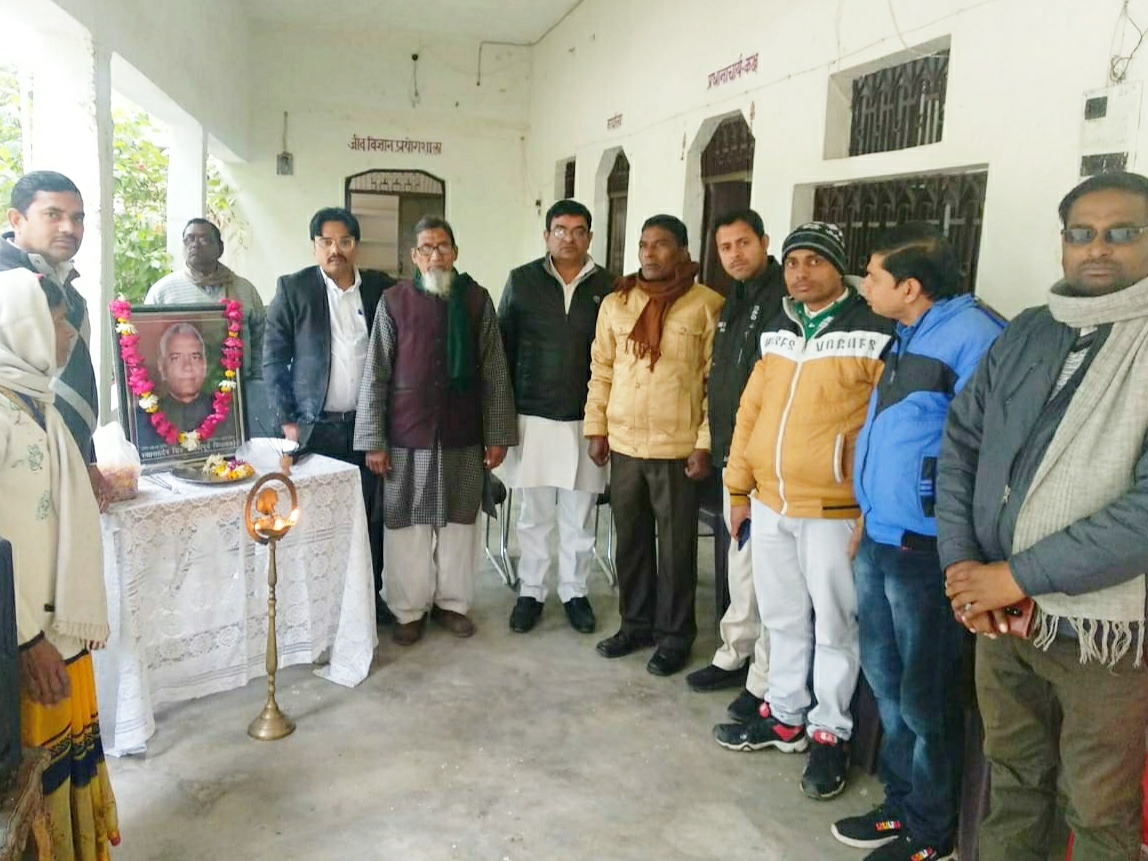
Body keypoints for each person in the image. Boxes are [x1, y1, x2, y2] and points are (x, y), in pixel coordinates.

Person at [939, 171, 1148, 861]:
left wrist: (1016, 574)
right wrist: (964, 568)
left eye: (1123, 233)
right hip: (1001, 619)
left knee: (1097, 812)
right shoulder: (1030, 330)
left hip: (1106, 637)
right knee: (1015, 782)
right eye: (1081, 233)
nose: (1099, 249)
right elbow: (963, 442)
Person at [830, 223, 1003, 861]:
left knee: (927, 696)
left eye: (872, 276)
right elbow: (891, 436)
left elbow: (983, 452)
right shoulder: (906, 333)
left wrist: (964, 547)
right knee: (887, 680)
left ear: (910, 286)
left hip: (928, 548)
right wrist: (864, 514)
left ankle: (931, 830)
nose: (864, 286)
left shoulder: (978, 337)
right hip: (881, 535)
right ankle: (900, 804)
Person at [712, 222, 893, 801]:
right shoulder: (779, 328)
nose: (800, 273)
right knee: (783, 618)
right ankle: (786, 715)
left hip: (834, 507)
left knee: (837, 626)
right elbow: (750, 412)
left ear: (838, 268)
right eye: (793, 263)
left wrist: (870, 504)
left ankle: (830, 732)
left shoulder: (873, 329)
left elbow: (885, 427)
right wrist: (738, 489)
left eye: (814, 261)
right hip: (769, 503)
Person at [0, 267, 120, 859]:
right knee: (31, 776)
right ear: (23, 323)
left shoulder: (38, 403)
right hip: (26, 642)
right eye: (59, 316)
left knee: (71, 754)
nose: (71, 330)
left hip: (62, 631)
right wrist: (24, 642)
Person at [354, 216, 517, 646]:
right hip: (407, 433)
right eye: (426, 248)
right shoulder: (394, 301)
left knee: (461, 525)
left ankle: (453, 604)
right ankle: (407, 609)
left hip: (463, 432)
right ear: (414, 256)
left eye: (442, 247)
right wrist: (373, 440)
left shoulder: (477, 300)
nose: (435, 255)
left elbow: (496, 372)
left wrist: (498, 434)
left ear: (455, 252)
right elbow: (375, 374)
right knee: (406, 527)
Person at [585, 214, 723, 677]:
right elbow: (602, 369)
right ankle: (635, 624)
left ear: (682, 252)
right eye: (644, 244)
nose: (649, 252)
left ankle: (674, 636)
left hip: (677, 448)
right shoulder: (617, 302)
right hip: (624, 444)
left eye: (661, 244)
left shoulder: (706, 305)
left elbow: (712, 383)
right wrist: (596, 428)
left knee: (678, 549)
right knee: (631, 543)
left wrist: (704, 443)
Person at [264, 207, 395, 624]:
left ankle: (369, 603)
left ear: (356, 245)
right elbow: (271, 360)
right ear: (314, 245)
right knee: (316, 521)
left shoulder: (379, 290)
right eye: (326, 241)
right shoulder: (294, 289)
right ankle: (318, 608)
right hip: (314, 429)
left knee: (369, 519)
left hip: (366, 426)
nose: (334, 250)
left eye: (344, 241)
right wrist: (288, 420)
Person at [684, 209, 785, 724]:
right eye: (726, 247)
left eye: (743, 243)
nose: (735, 255)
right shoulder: (733, 301)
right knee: (739, 568)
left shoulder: (783, 301)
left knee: (769, 577)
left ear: (764, 242)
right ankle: (734, 651)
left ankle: (763, 680)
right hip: (733, 458)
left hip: (770, 465)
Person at [497, 199, 613, 635]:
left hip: (586, 419)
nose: (569, 238)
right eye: (560, 229)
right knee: (535, 514)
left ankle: (574, 591)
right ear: (546, 235)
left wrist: (605, 423)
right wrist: (501, 420)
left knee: (579, 514)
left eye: (579, 230)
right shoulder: (523, 281)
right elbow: (502, 350)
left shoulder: (608, 286)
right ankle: (531, 591)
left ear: (590, 237)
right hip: (533, 416)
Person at [0, 170, 107, 511]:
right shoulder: (6, 287)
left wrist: (86, 461)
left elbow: (76, 380)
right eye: (53, 215)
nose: (69, 228)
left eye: (77, 218)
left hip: (64, 461)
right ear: (17, 218)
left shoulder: (71, 297)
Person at [145, 218, 271, 436]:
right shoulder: (164, 291)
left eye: (204, 239)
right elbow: (149, 344)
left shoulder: (244, 289)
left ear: (220, 248)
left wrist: (256, 382)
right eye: (189, 239)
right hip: (187, 398)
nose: (195, 244)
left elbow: (262, 339)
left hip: (241, 393)